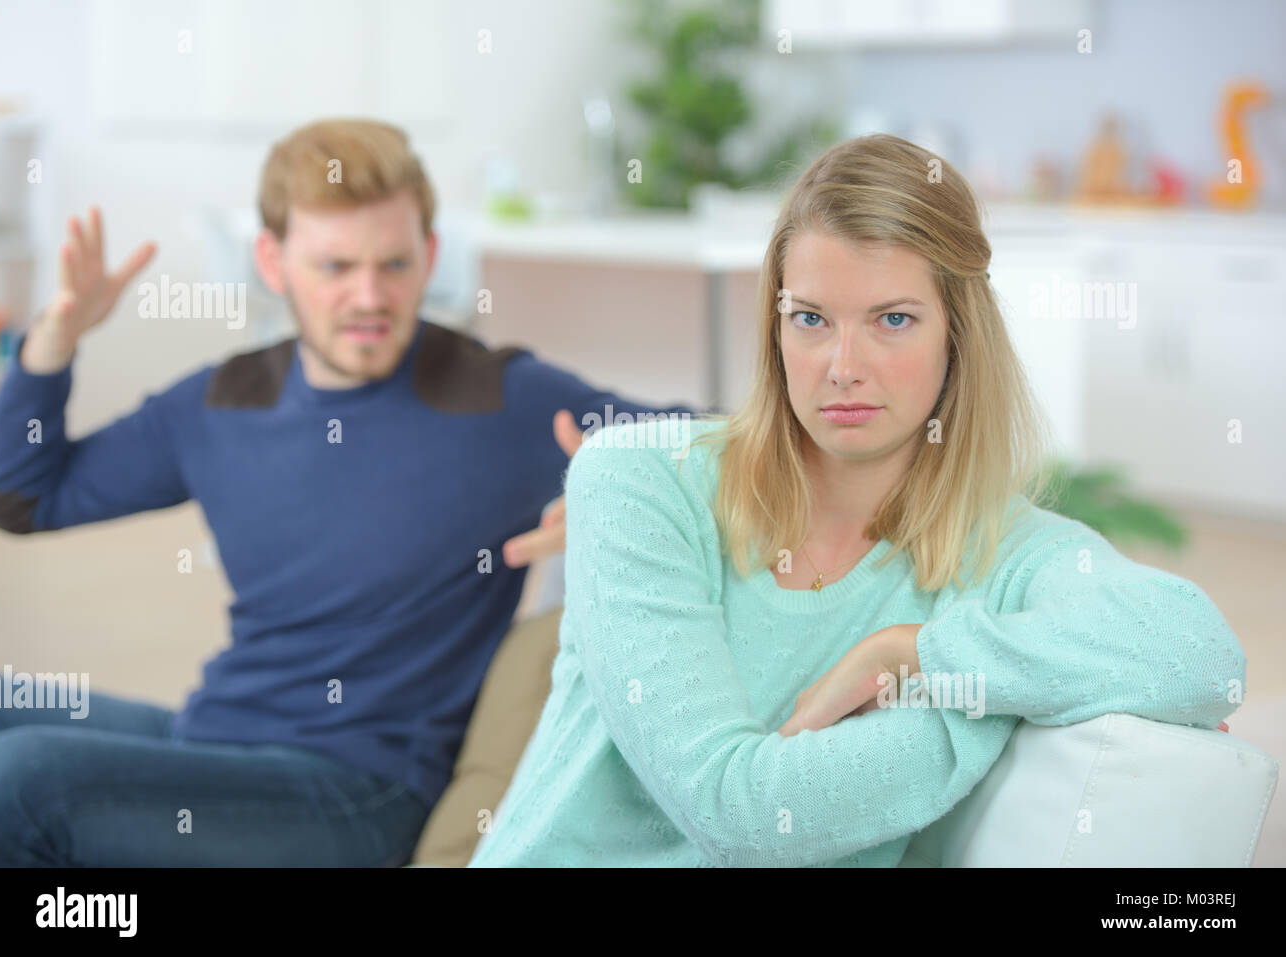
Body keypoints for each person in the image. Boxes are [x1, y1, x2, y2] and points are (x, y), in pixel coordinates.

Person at [467, 133, 1247, 868]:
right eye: (810, 318)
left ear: (959, 335)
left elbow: (1199, 655)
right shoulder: (639, 479)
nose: (842, 366)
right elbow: (734, 809)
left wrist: (915, 656)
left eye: (893, 320)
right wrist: (975, 709)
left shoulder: (1006, 552)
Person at [0, 118, 699, 866]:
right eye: (335, 266)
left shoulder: (500, 398)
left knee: (24, 780)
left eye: (394, 263)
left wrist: (613, 491)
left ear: (429, 256)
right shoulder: (221, 402)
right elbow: (23, 498)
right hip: (218, 734)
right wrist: (54, 340)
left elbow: (715, 440)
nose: (370, 296)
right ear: (273, 260)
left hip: (360, 789)